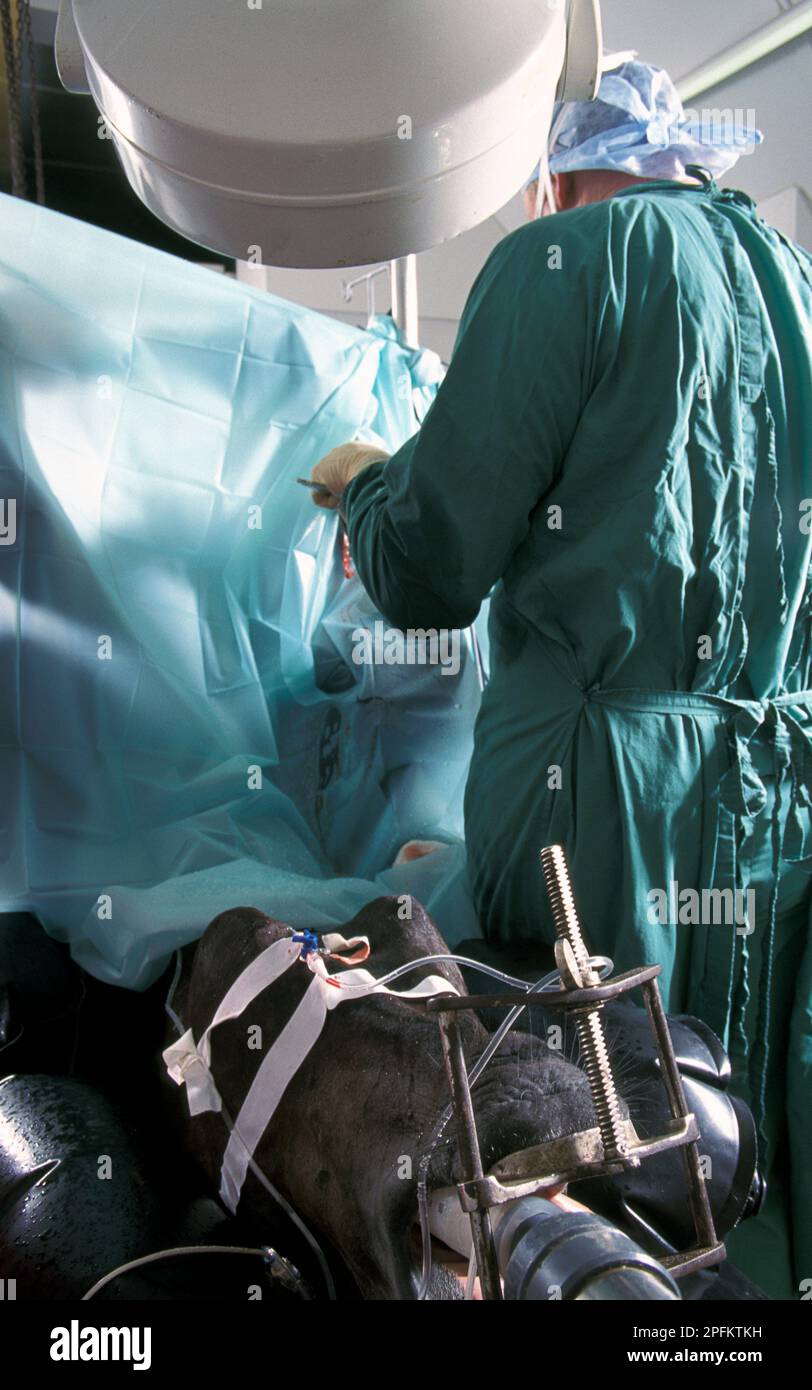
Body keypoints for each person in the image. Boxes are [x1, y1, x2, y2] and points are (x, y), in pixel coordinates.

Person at [309, 60, 812, 1299]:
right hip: (773, 785)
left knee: (583, 1136)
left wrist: (366, 492)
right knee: (730, 1127)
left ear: (559, 170)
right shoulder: (795, 284)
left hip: (595, 792)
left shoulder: (571, 262)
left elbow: (432, 563)